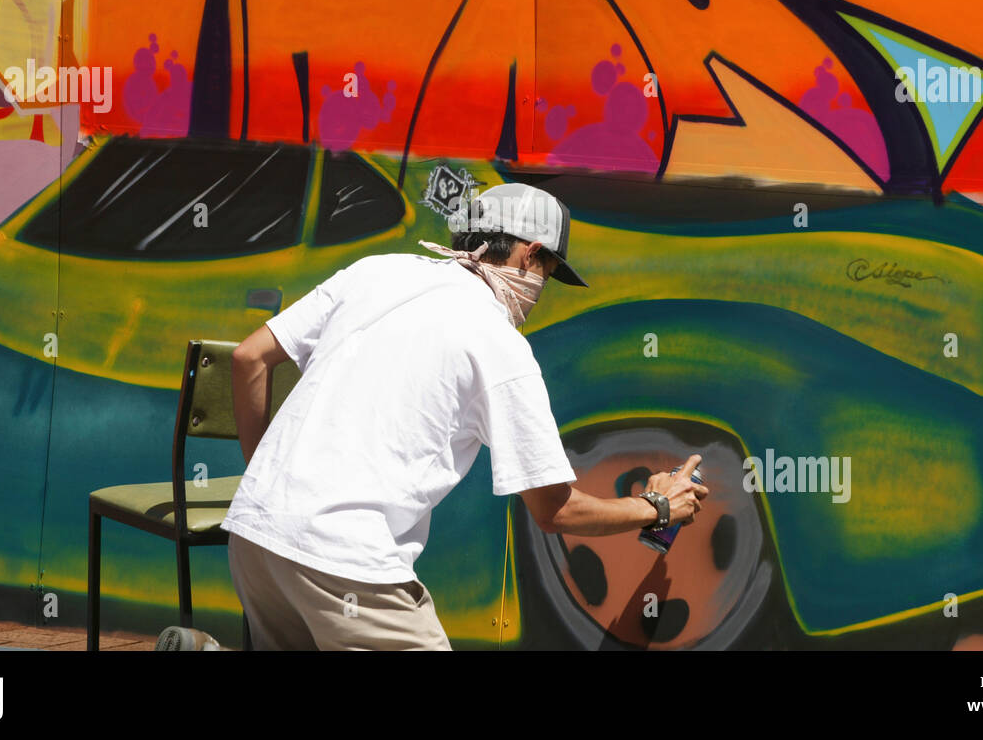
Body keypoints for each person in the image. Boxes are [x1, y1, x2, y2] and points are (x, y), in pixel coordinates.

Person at [217, 182, 708, 650]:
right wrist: (656, 508)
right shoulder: (498, 343)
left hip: (256, 537)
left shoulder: (375, 271)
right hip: (345, 562)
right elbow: (555, 510)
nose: (539, 290)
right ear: (529, 254)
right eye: (546, 273)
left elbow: (249, 358)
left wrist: (269, 480)